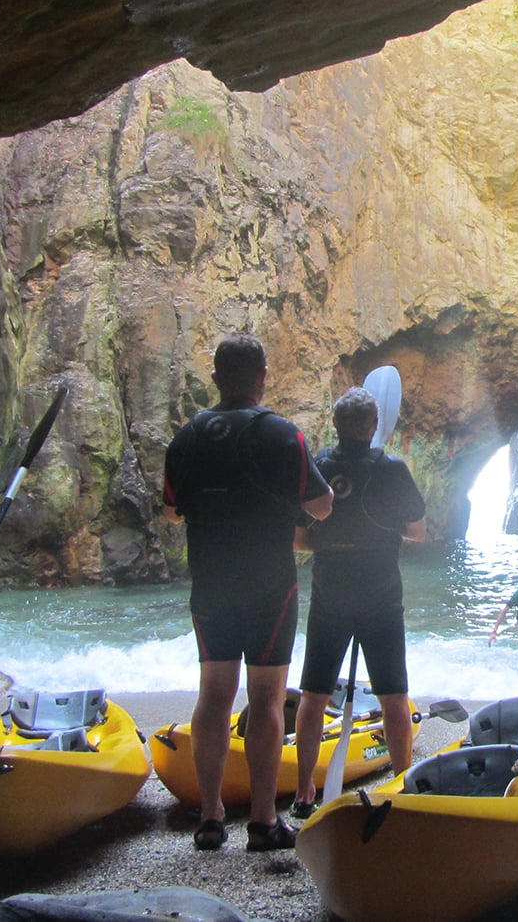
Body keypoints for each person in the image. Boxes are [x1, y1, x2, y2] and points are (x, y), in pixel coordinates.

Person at [163, 333, 333, 852]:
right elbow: (322, 504)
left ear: (214, 378)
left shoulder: (187, 437)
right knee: (265, 699)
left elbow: (172, 510)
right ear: (263, 378)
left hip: (211, 580)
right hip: (269, 583)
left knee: (213, 695)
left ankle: (211, 817)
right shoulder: (284, 436)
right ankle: (262, 820)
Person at [288, 387, 427, 819]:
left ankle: (304, 791)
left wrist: (326, 544)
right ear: (374, 426)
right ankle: (403, 782)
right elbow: (418, 531)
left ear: (335, 425)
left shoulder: (318, 466)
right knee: (393, 694)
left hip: (330, 593)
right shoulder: (393, 470)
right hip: (382, 595)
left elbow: (296, 536)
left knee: (313, 695)